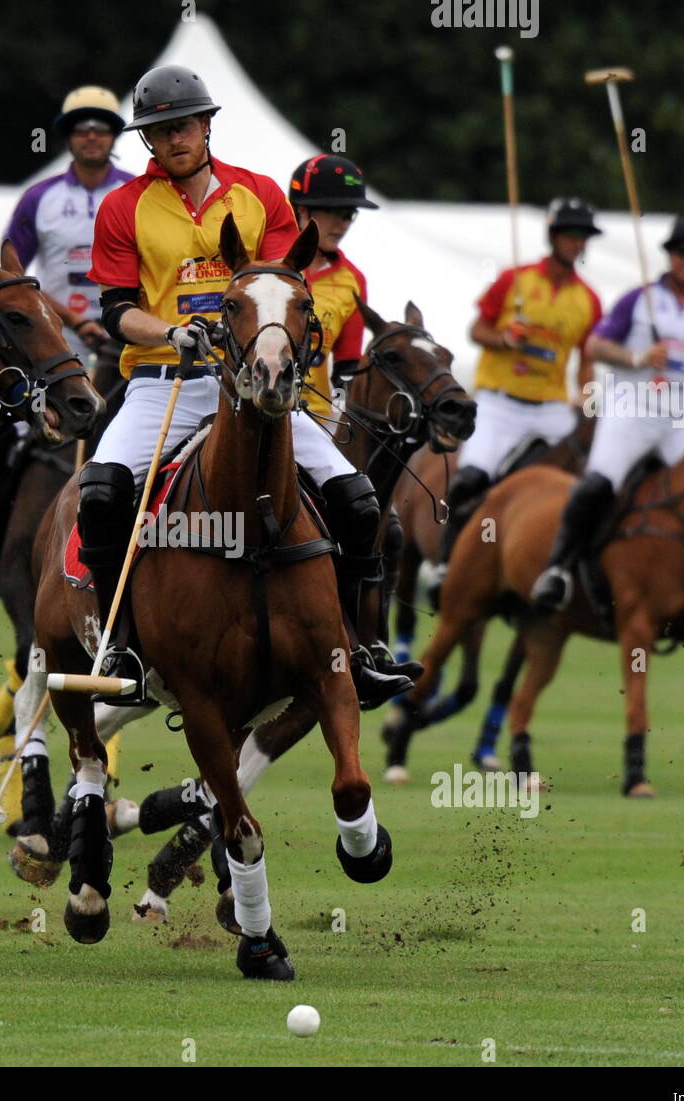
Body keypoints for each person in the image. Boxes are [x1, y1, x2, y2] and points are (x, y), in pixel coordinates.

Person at [83, 65, 415, 709]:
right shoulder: (123, 207)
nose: (172, 140)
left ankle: (361, 645)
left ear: (207, 125)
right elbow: (115, 307)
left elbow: (287, 282)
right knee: (101, 489)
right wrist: (172, 330)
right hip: (164, 381)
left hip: (249, 390)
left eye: (182, 126)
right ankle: (117, 642)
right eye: (157, 132)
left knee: (357, 498)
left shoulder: (259, 193)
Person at [0, 85, 135, 602]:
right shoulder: (40, 198)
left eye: (102, 125)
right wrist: (71, 321)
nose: (92, 134)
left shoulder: (136, 194)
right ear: (67, 136)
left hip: (125, 348)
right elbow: (9, 273)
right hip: (49, 349)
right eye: (81, 126)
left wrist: (120, 321)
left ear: (113, 135)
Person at [532, 215, 684, 608]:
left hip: (680, 419)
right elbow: (597, 348)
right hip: (629, 411)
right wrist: (639, 356)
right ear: (670, 255)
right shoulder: (638, 301)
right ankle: (559, 568)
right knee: (597, 485)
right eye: (682, 252)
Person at [429, 197, 603, 604]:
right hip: (501, 404)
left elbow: (586, 361)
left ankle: (562, 570)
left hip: (551, 408)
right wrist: (505, 337)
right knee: (471, 478)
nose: (577, 243)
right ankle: (444, 564)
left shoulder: (589, 300)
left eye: (583, 236)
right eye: (570, 234)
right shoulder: (515, 280)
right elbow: (476, 330)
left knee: (589, 483)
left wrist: (585, 392)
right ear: (554, 236)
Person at [286, 154, 376, 430]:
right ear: (302, 210)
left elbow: (347, 367)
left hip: (312, 418)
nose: (345, 223)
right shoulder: (263, 263)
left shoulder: (353, 280)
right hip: (251, 410)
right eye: (337, 212)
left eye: (350, 214)